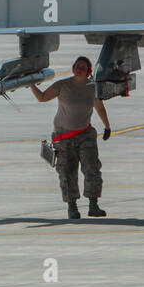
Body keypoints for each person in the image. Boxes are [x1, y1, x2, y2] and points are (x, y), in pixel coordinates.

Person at [30, 56, 111, 219]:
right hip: (63, 137)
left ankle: (93, 205)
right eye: (76, 66)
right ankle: (72, 207)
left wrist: (107, 126)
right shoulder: (63, 85)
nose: (78, 69)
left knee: (92, 169)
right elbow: (42, 97)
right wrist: (30, 83)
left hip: (85, 135)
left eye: (82, 67)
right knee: (67, 173)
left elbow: (99, 107)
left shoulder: (92, 87)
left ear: (89, 72)